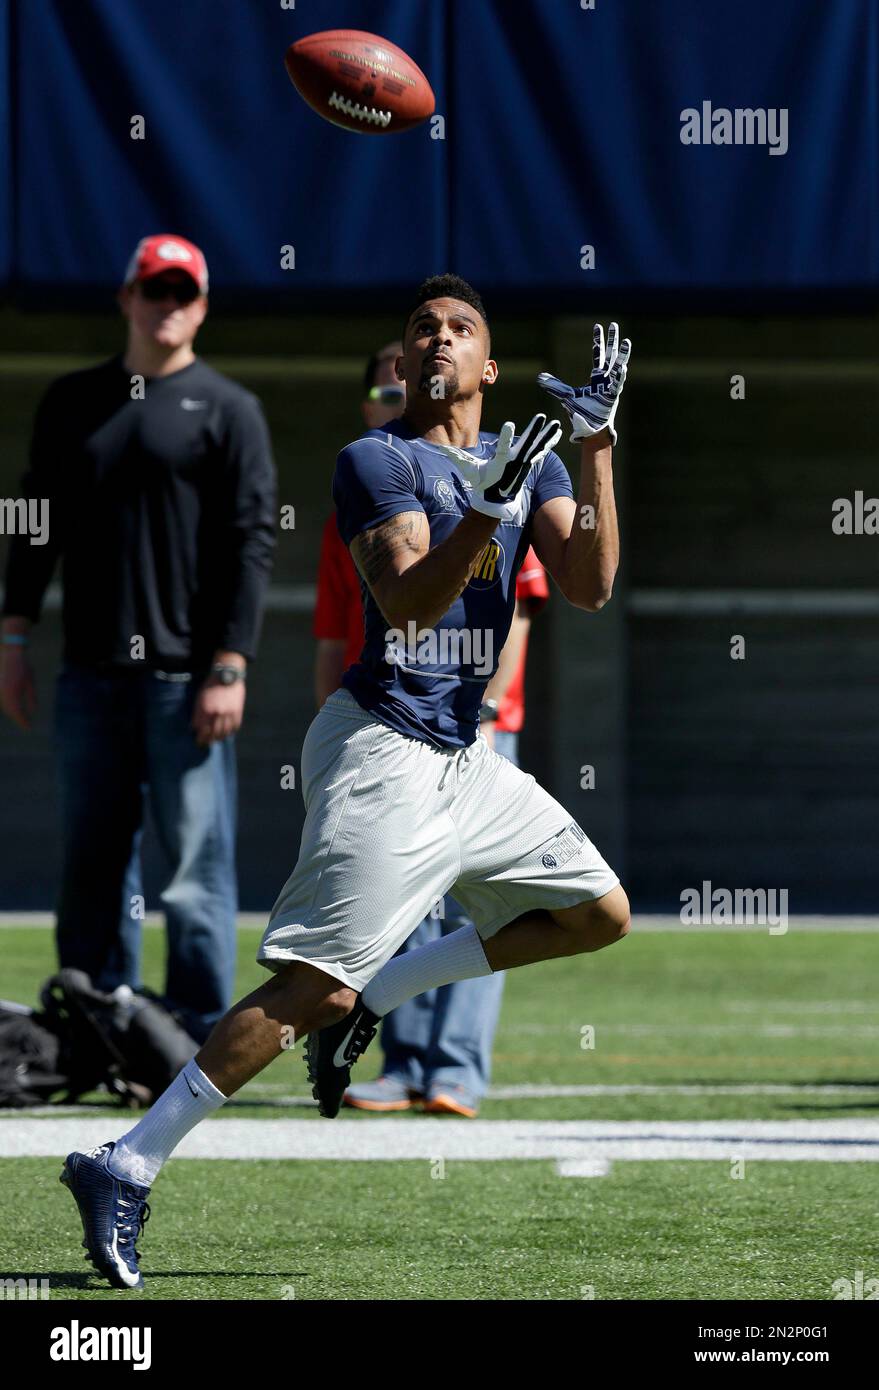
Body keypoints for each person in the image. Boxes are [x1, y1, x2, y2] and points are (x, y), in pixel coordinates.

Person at [60, 272, 631, 1291]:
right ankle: (124, 1161)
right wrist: (486, 511)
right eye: (423, 330)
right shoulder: (375, 457)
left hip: (467, 753)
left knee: (599, 914)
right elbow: (409, 605)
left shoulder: (521, 453)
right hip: (385, 746)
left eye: (461, 328)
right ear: (404, 362)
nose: (440, 340)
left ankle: (386, 992)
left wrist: (593, 448)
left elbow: (588, 585)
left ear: (491, 366)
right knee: (314, 988)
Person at [0, 234, 277, 1044]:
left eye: (182, 291)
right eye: (153, 289)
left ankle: (189, 1032)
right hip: (88, 676)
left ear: (202, 305)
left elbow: (251, 541)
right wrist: (14, 638)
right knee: (92, 860)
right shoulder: (70, 401)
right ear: (125, 297)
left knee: (195, 867)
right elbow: (33, 526)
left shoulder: (230, 410)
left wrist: (231, 662)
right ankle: (95, 1019)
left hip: (186, 677)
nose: (168, 304)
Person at [314, 342, 551, 1118]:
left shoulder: (497, 476)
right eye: (383, 391)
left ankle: (456, 1068)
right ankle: (400, 1059)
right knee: (403, 900)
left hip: (469, 716)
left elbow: (524, 602)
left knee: (486, 900)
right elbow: (333, 626)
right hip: (385, 718)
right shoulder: (364, 482)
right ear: (368, 403)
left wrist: (488, 702)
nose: (396, 399)